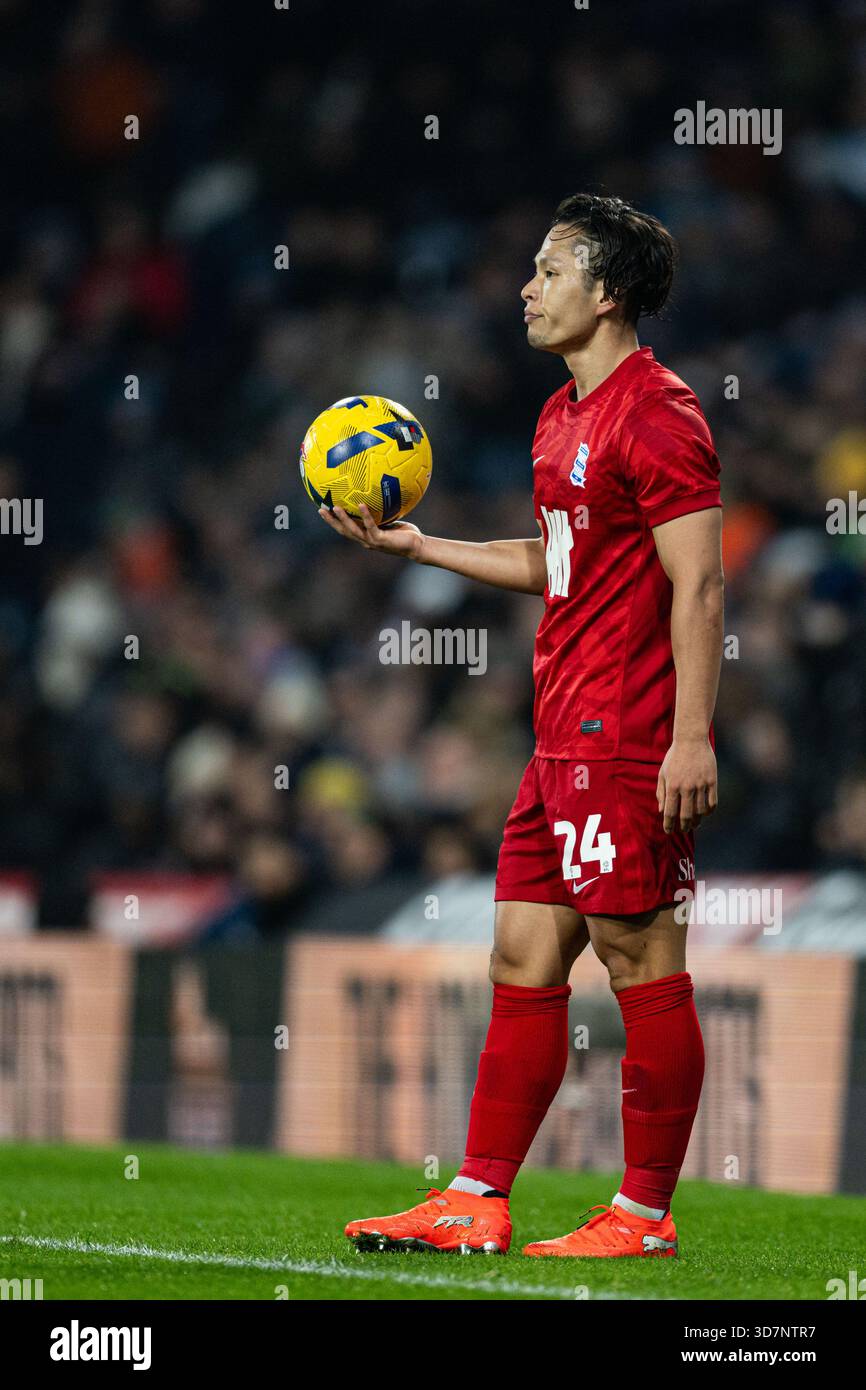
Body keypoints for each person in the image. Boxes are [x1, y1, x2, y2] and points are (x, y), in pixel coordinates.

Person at [322, 194, 724, 1258]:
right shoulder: (561, 415)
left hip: (626, 733)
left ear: (608, 292)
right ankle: (476, 1197)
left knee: (639, 958)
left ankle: (642, 1216)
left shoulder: (660, 414)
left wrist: (690, 736)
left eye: (549, 270)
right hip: (557, 738)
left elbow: (700, 585)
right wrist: (421, 548)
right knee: (520, 957)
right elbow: (557, 563)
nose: (526, 288)